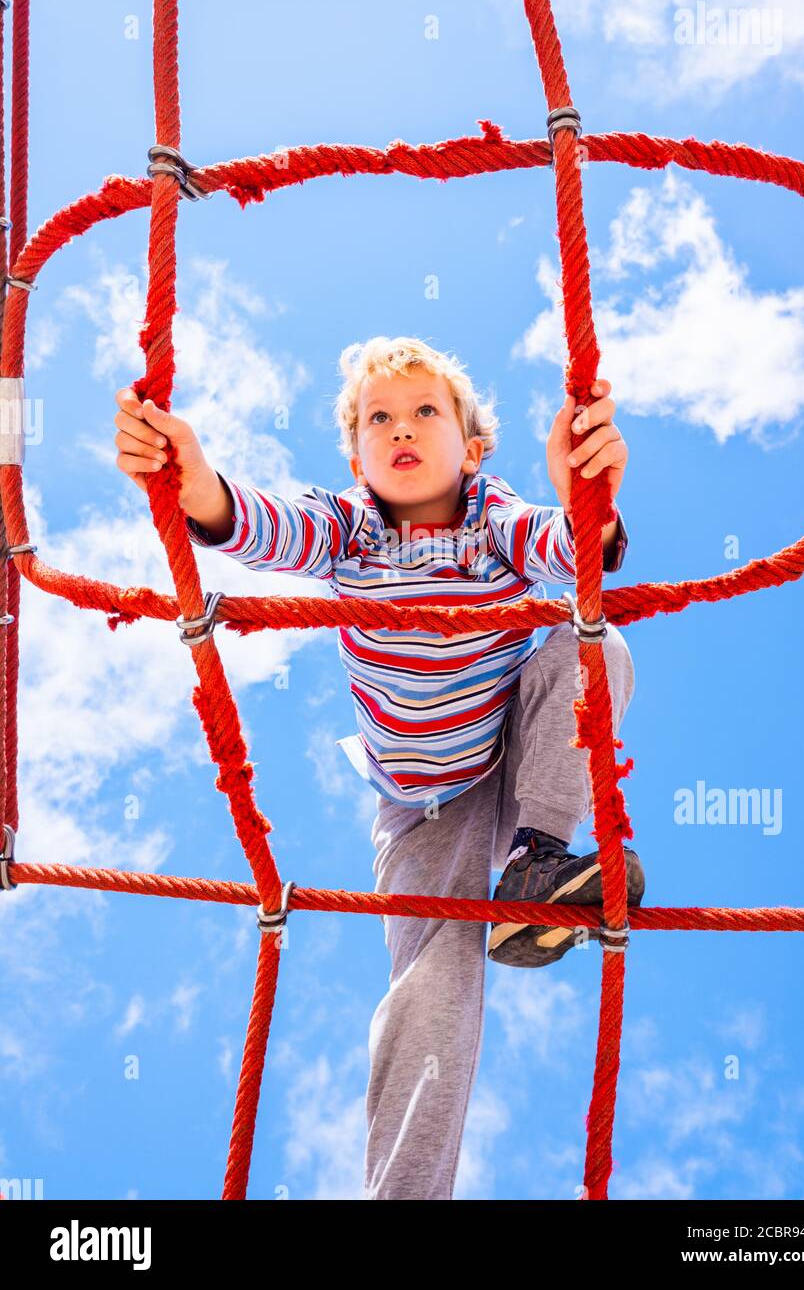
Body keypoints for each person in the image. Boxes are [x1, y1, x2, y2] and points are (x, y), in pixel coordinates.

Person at [114, 335, 644, 1200]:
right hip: (422, 798)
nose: (401, 429)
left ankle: (538, 862)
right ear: (357, 453)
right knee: (432, 988)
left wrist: (584, 500)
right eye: (378, 419)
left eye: (425, 412)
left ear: (471, 447)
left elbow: (565, 552)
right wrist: (195, 484)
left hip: (511, 751)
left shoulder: (493, 519)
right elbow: (263, 529)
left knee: (595, 647)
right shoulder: (347, 527)